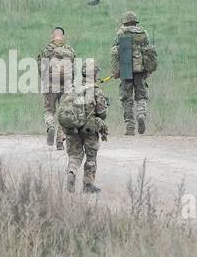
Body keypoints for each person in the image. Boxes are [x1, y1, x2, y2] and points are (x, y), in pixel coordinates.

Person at [57, 59, 109, 193]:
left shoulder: (71, 89)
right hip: (89, 129)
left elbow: (63, 109)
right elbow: (102, 113)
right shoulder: (96, 91)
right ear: (95, 74)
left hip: (72, 128)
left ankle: (72, 172)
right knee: (91, 156)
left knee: (75, 155)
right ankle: (88, 185)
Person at [108, 11, 157, 135]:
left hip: (126, 69)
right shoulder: (143, 33)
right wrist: (149, 68)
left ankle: (130, 126)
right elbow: (149, 52)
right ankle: (141, 114)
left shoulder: (121, 33)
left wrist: (116, 71)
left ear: (125, 21)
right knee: (142, 96)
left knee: (126, 98)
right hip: (141, 70)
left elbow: (114, 52)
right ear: (135, 21)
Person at [37, 26, 75, 151]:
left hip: (50, 85)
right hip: (66, 86)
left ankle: (50, 126)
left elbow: (41, 69)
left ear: (52, 35)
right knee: (64, 114)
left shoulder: (46, 50)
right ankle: (60, 141)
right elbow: (74, 69)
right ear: (63, 36)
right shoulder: (69, 50)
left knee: (49, 111)